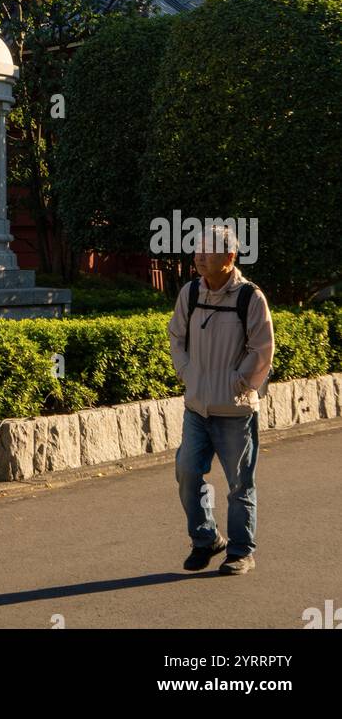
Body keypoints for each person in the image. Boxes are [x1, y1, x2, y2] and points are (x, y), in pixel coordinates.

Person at [167, 224, 274, 575]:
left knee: (240, 484)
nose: (199, 256)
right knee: (186, 473)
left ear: (230, 257)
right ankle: (206, 540)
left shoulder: (249, 297)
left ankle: (241, 551)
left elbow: (262, 349)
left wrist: (237, 382)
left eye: (207, 250)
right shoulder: (190, 293)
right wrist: (187, 373)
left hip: (235, 411)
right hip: (197, 408)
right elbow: (176, 336)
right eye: (197, 249)